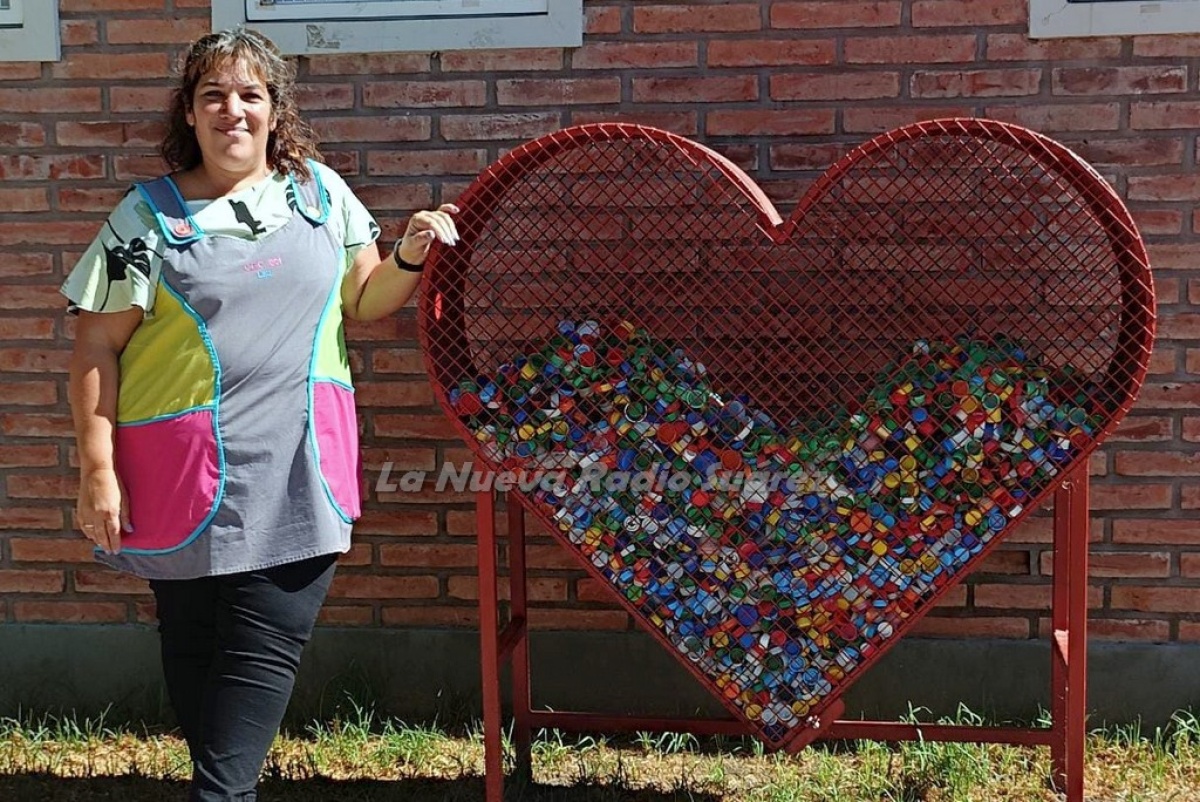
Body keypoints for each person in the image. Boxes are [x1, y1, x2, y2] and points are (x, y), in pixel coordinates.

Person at [62, 27, 458, 801]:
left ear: (275, 111)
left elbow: (363, 300)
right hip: (179, 477)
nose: (232, 110)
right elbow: (95, 346)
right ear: (189, 111)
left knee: (261, 650)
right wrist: (97, 470)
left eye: (250, 94)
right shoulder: (144, 216)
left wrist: (410, 254)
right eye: (213, 95)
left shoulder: (322, 194)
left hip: (298, 469)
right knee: (193, 645)